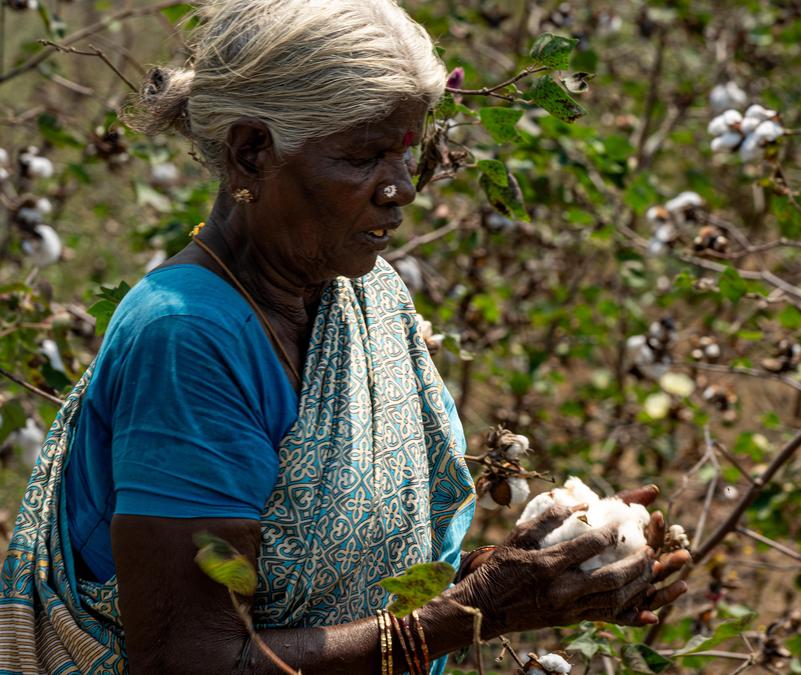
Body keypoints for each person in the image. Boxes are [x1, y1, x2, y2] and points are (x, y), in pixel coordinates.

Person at [0, 1, 688, 672]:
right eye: (365, 157)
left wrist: (556, 576)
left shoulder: (363, 292)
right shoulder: (189, 339)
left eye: (406, 154)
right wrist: (483, 608)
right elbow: (189, 656)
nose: (402, 189)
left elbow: (353, 598)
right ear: (251, 153)